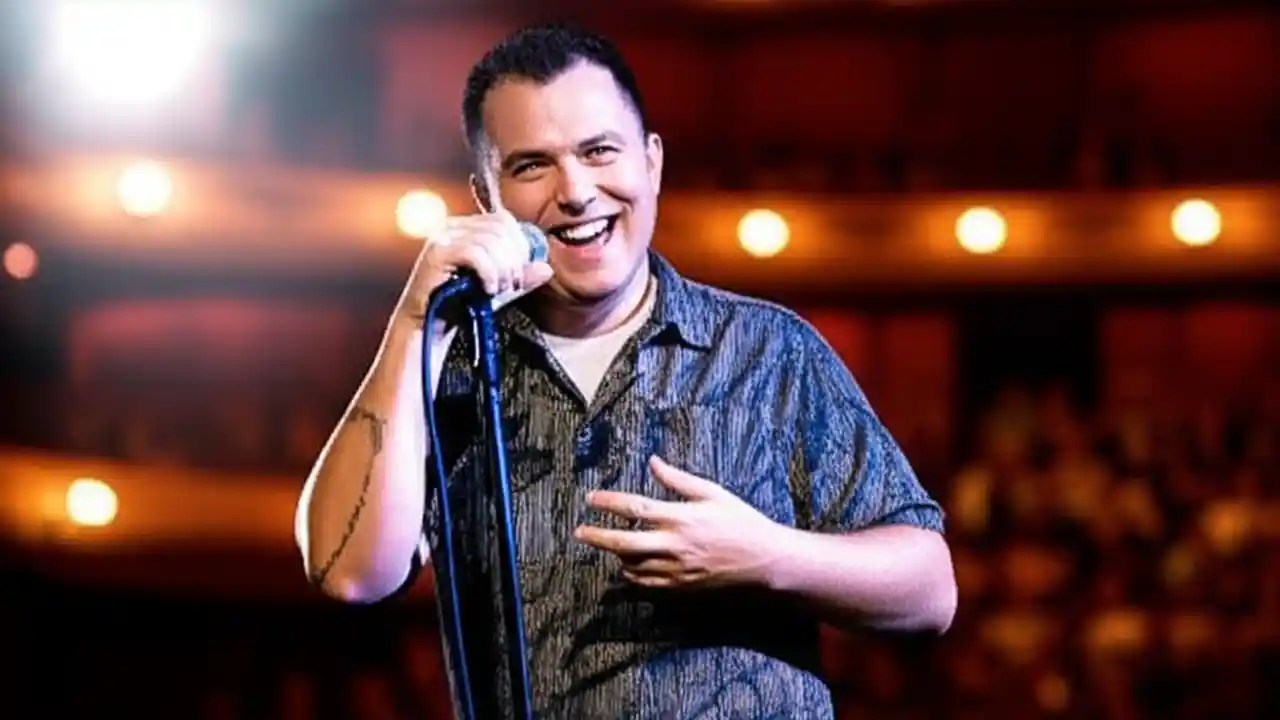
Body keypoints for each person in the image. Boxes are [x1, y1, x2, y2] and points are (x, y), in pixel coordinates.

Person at [295, 23, 957, 719]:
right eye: (531, 166)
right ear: (487, 200)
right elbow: (349, 573)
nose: (576, 191)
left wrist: (768, 556)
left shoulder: (769, 349)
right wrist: (412, 326)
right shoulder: (454, 369)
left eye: (599, 151)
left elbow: (930, 590)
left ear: (652, 164)